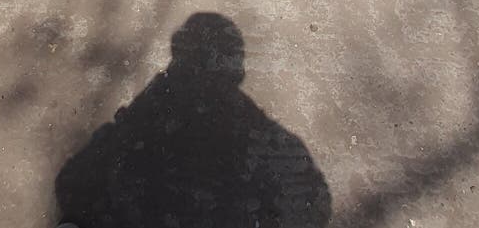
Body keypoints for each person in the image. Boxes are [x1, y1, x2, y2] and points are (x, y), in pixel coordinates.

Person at [56, 12, 331, 228]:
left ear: (178, 55)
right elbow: (312, 202)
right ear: (236, 69)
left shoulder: (143, 116)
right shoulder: (263, 135)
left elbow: (72, 184)